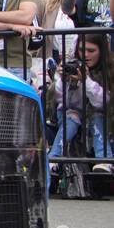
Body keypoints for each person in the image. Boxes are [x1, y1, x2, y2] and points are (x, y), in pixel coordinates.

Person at [47, 34, 113, 195]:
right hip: (70, 112)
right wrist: (62, 78)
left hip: (99, 115)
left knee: (97, 116)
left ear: (101, 52)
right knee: (71, 117)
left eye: (91, 51)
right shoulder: (70, 65)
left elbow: (102, 102)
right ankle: (53, 159)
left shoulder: (108, 71)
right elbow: (59, 99)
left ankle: (104, 160)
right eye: (82, 50)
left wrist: (86, 81)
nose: (86, 55)